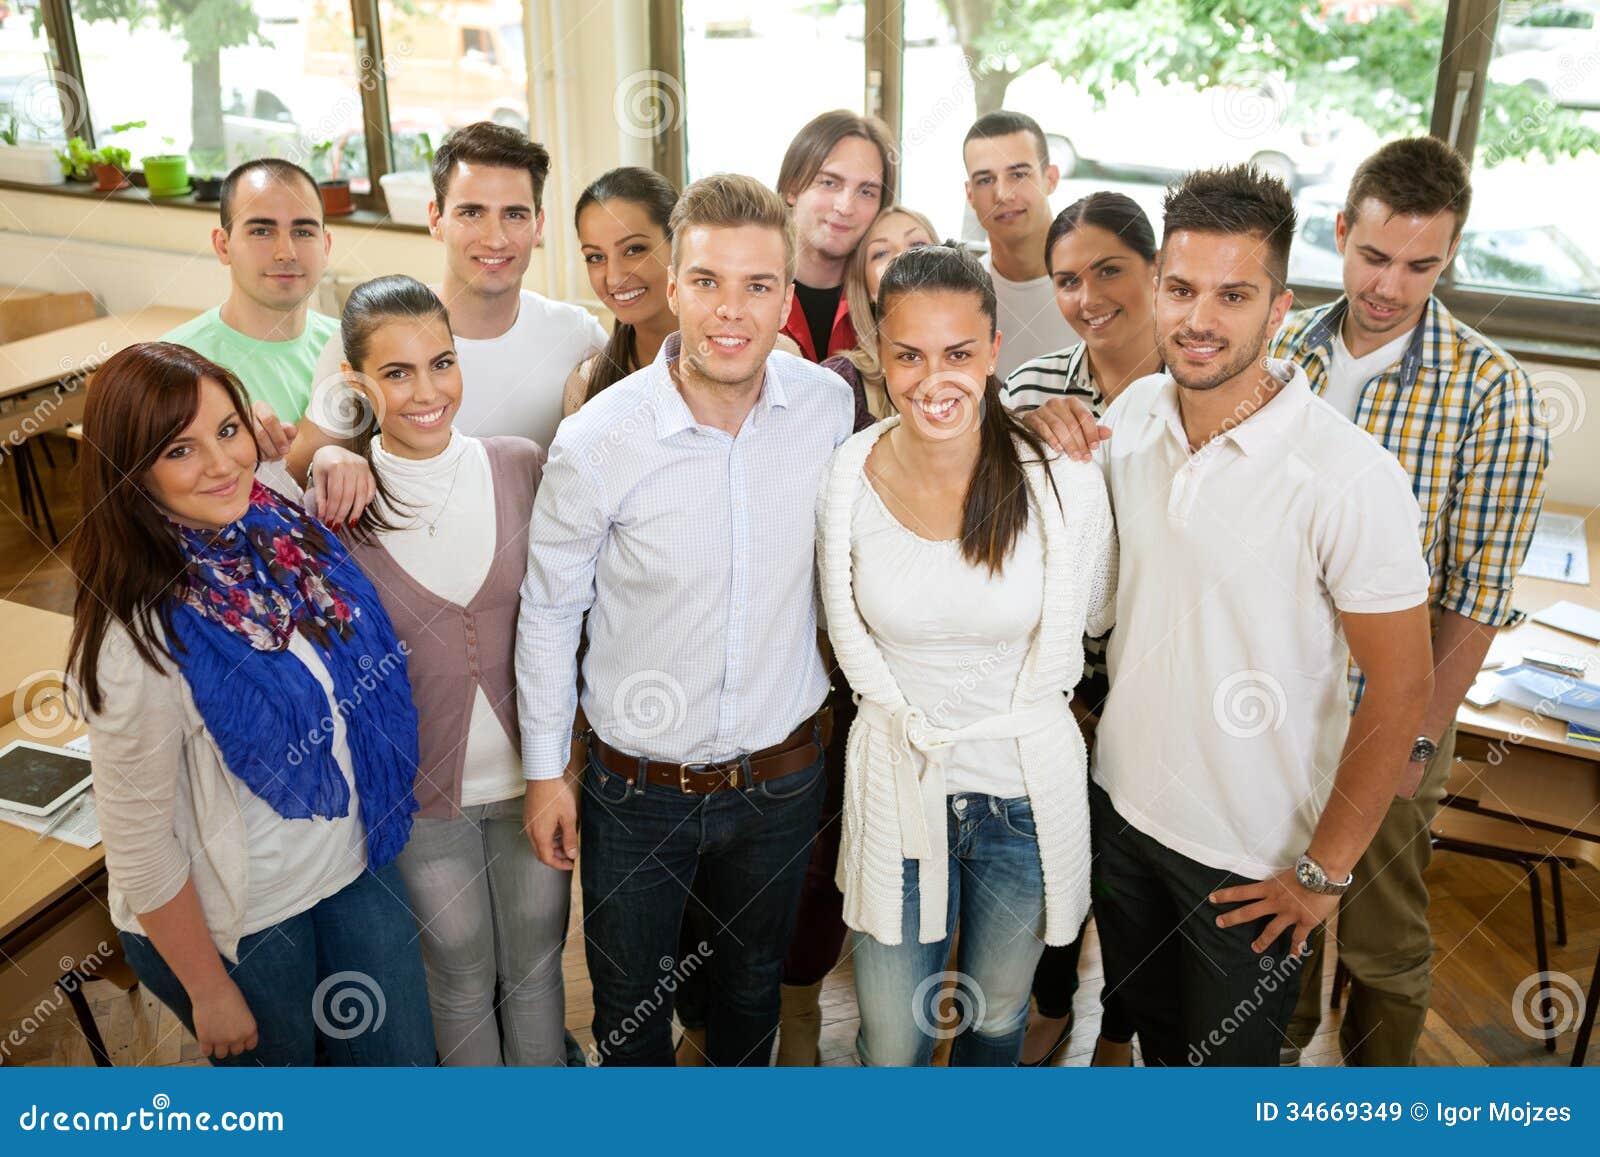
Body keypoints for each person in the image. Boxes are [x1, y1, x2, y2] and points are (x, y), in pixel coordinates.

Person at [1089, 164, 1435, 1066]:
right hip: (1122, 813)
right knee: (1157, 1054)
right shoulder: (1131, 415)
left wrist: (1323, 874)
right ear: (1157, 288)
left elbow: (1402, 690)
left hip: (1248, 861)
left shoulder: (1349, 477)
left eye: (1233, 295)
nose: (1200, 319)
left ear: (1278, 307)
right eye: (1182, 288)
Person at [517, 173, 855, 1066]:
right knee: (629, 1016)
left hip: (783, 780)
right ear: (673, 287)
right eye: (707, 281)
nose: (730, 311)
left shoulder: (826, 408)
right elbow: (549, 611)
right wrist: (547, 772)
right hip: (635, 793)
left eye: (757, 285)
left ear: (789, 295)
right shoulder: (598, 437)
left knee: (751, 995)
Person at [68, 341, 434, 1067]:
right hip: (242, 924)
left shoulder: (270, 521)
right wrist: (207, 988)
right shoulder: (134, 633)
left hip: (353, 858)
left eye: (228, 430)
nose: (221, 463)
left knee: (401, 1069)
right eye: (180, 449)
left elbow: (309, 452)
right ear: (130, 474)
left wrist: (327, 458)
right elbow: (139, 847)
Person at [1271, 137, 1548, 1067]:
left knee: (1384, 944)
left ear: (1450, 257)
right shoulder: (1280, 348)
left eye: (1421, 265)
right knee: (1281, 921)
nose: (1390, 286)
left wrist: (1416, 741)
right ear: (1342, 232)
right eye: (1375, 257)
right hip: (1268, 702)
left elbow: (1475, 597)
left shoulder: (1492, 392)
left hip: (1393, 715)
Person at [817, 243, 1117, 1067]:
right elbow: (844, 633)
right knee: (891, 1041)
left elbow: (1097, 608)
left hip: (1020, 799)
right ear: (879, 352)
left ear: (993, 351)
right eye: (909, 354)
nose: (933, 379)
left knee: (995, 1025)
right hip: (898, 790)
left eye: (958, 353)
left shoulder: (1062, 474)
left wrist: (1073, 437)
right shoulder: (848, 474)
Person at [332, 275, 570, 1066]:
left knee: (536, 970)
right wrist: (327, 453)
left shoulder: (519, 466)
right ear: (355, 385)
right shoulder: (334, 506)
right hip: (422, 799)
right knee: (459, 977)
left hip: (535, 781)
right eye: (396, 373)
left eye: (442, 362)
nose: (427, 391)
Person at [1003, 191, 1161, 1067]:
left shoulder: (1197, 388)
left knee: (1135, 873)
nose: (1089, 295)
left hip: (1162, 678)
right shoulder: (1032, 384)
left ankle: (1125, 1025)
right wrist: (1012, 430)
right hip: (1060, 682)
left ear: (1153, 269)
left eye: (1109, 270)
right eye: (1067, 279)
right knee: (1060, 856)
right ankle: (1054, 1002)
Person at [293, 121, 606, 476]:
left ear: (538, 225)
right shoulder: (367, 335)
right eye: (471, 213)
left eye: (514, 214)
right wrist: (327, 459)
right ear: (435, 219)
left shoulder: (578, 335)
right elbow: (299, 473)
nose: (495, 238)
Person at [161, 158, 340, 425]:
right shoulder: (173, 369)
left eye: (303, 232)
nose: (286, 253)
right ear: (223, 246)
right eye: (261, 231)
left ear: (325, 247)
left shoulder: (351, 345)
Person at [961, 111, 1078, 379]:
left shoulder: (1095, 285)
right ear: (970, 195)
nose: (1003, 194)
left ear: (1051, 179)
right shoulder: (964, 295)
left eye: (1018, 175)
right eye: (985, 180)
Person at [776, 109, 897, 362]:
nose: (845, 207)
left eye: (866, 192)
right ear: (792, 188)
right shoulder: (750, 293)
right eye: (829, 183)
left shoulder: (886, 301)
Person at [563, 166, 679, 416]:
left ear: (679, 243)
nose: (614, 278)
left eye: (634, 249)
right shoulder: (584, 386)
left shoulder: (767, 358)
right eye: (595, 257)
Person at [820, 204, 938, 423]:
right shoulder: (836, 381)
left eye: (918, 244)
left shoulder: (975, 364)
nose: (903, 257)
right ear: (866, 289)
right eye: (881, 253)